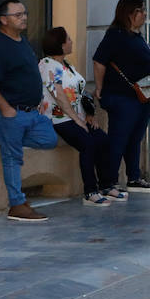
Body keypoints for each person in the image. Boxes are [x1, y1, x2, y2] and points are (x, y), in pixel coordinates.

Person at [0, 0, 59, 221]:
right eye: (17, 15)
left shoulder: (23, 42)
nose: (23, 17)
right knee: (13, 156)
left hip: (31, 113)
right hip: (8, 112)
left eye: (25, 13)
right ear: (3, 20)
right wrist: (5, 108)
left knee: (49, 139)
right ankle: (17, 205)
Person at [38, 27, 120, 207]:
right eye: (68, 39)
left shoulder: (67, 65)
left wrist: (90, 114)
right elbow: (58, 95)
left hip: (78, 117)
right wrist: (77, 120)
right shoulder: (47, 65)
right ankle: (90, 191)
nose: (71, 41)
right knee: (87, 143)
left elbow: (81, 92)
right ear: (60, 44)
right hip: (59, 118)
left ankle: (106, 185)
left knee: (103, 140)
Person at [92, 0, 150, 193]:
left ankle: (134, 177)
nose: (144, 14)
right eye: (141, 10)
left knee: (135, 138)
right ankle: (108, 182)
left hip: (142, 97)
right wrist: (99, 88)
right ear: (129, 13)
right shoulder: (115, 35)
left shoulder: (136, 35)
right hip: (122, 97)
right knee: (118, 139)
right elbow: (99, 61)